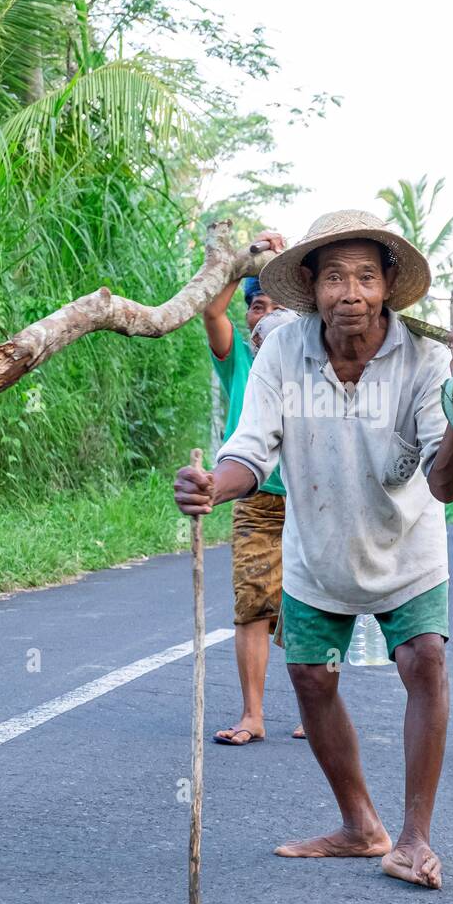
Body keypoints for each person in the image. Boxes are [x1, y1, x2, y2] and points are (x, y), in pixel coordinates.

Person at [174, 209, 453, 888]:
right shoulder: (283, 352)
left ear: (389, 285)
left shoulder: (428, 360)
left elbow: (446, 483)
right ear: (309, 286)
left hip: (407, 547)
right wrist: (211, 486)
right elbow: (251, 449)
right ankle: (359, 826)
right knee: (312, 678)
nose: (352, 294)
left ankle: (412, 840)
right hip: (317, 547)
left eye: (367, 278)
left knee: (424, 660)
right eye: (336, 277)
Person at [201, 234, 304, 745]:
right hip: (256, 502)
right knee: (253, 603)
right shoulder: (239, 360)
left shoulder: (315, 357)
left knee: (314, 605)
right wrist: (244, 258)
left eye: (279, 305)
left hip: (314, 500)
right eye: (258, 306)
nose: (266, 315)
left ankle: (317, 711)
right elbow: (211, 310)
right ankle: (253, 715)